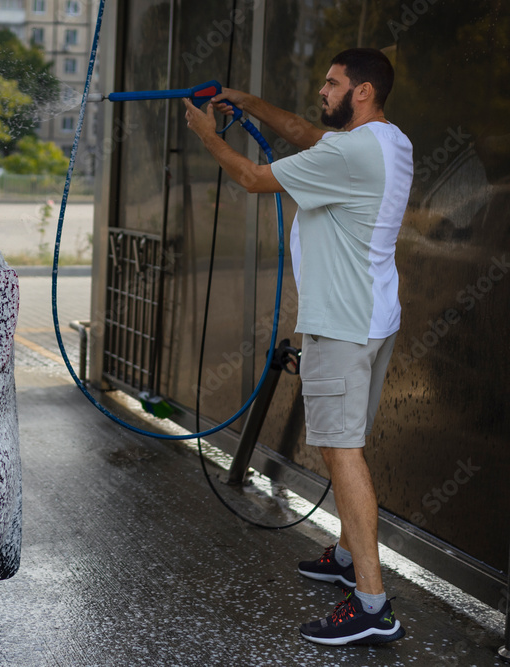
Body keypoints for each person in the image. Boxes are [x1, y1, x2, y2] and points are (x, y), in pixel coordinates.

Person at [183, 47, 412, 646]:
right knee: (350, 444)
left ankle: (371, 604)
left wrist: (209, 134)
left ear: (362, 92)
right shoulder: (390, 142)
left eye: (333, 84)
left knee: (341, 453)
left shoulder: (349, 151)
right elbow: (310, 134)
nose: (323, 90)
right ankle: (343, 557)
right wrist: (250, 104)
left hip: (341, 324)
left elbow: (255, 178)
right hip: (374, 316)